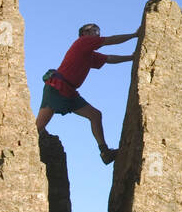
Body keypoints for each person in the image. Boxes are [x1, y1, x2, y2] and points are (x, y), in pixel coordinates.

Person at [36, 23, 138, 164]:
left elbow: (109, 59)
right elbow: (110, 40)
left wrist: (131, 58)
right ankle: (20, 146)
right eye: (94, 30)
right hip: (57, 88)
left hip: (70, 92)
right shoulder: (82, 42)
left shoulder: (89, 55)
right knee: (39, 127)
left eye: (98, 30)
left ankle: (105, 152)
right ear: (84, 33)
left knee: (95, 115)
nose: (97, 33)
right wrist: (134, 35)